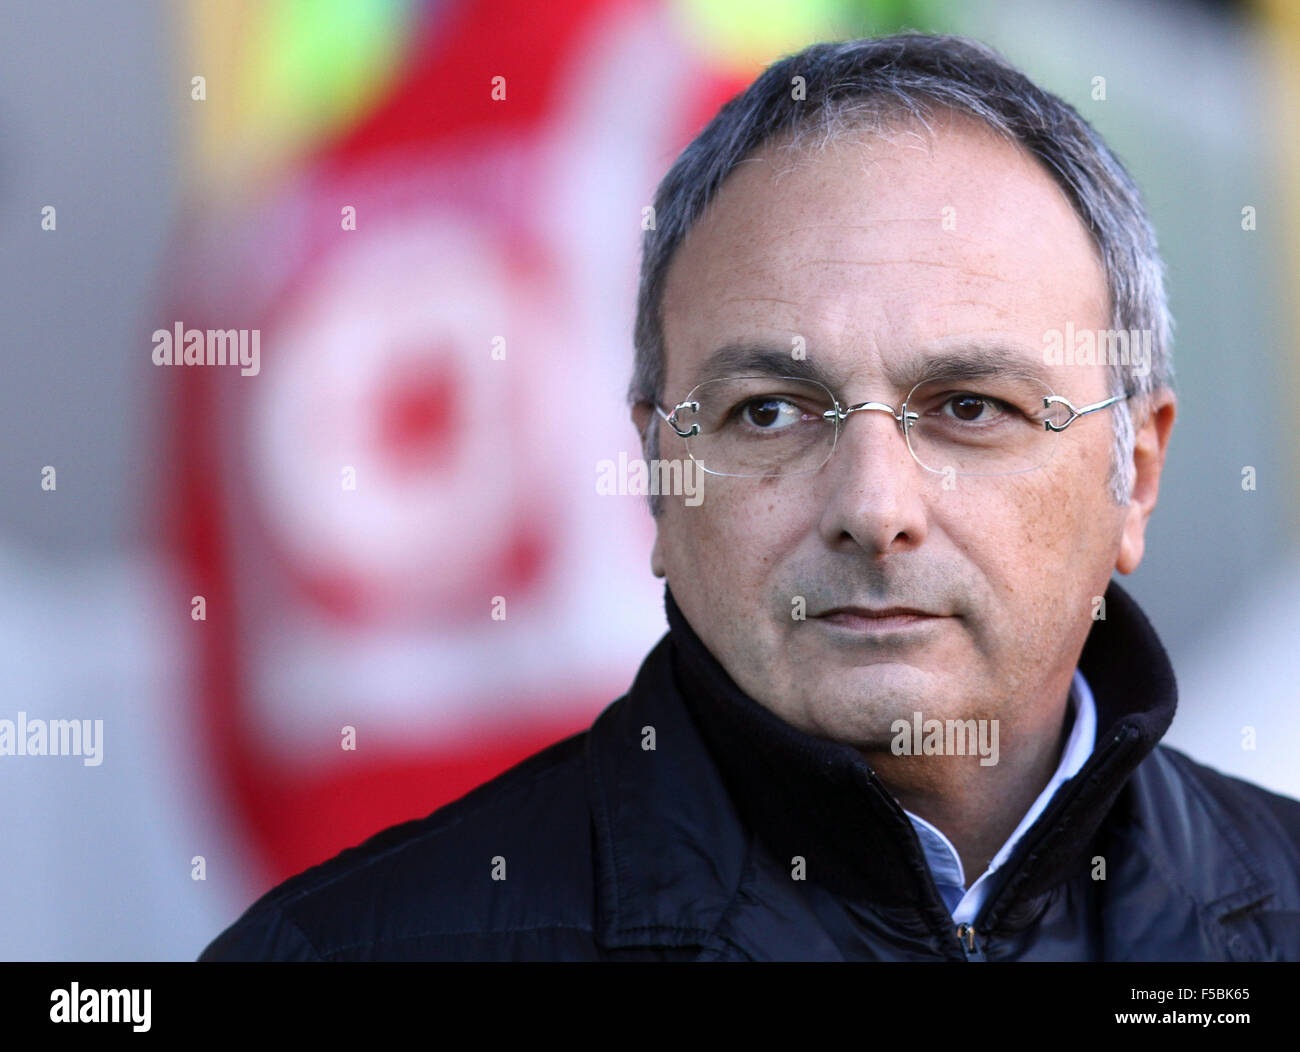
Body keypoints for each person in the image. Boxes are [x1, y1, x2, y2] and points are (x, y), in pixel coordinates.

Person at [199, 32, 1300, 962]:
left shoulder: (273, 217)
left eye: (969, 407)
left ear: (1135, 473)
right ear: (657, 477)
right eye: (770, 412)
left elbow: (215, 674)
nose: (874, 506)